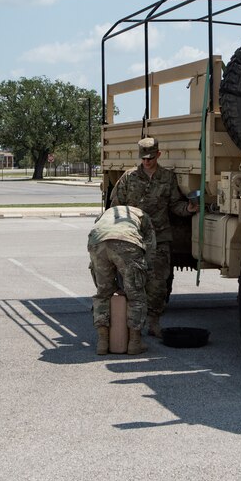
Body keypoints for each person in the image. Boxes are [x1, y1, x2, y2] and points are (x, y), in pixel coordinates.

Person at [109, 137, 198, 337]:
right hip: (134, 237)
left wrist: (188, 209)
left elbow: (174, 205)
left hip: (159, 237)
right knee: (133, 282)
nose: (147, 162)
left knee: (158, 283)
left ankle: (154, 321)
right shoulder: (129, 177)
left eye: (150, 158)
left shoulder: (167, 177)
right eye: (144, 158)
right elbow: (116, 207)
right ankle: (133, 325)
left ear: (158, 155)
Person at [88, 205, 156, 355]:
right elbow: (150, 247)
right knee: (136, 296)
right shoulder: (142, 215)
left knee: (103, 294)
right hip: (126, 241)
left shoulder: (106, 213)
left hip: (97, 242)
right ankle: (134, 343)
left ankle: (102, 342)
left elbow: (97, 228)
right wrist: (144, 273)